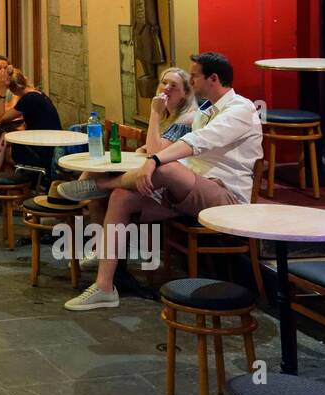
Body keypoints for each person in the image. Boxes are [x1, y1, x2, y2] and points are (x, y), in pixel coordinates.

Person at [62, 52, 263, 311]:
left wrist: (154, 161)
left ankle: (100, 186)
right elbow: (173, 149)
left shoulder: (240, 109)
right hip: (189, 191)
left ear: (213, 79)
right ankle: (104, 287)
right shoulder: (205, 111)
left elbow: (198, 143)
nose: (191, 81)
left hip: (226, 197)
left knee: (165, 167)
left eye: (194, 75)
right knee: (122, 197)